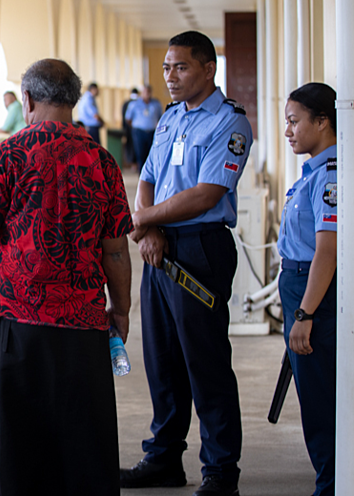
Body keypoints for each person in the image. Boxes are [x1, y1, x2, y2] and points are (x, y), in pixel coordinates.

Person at [0, 59, 133, 496]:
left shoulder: (10, 153)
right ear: (74, 99)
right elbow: (116, 249)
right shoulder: (102, 160)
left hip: (21, 318)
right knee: (83, 436)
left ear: (26, 99)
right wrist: (120, 309)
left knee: (20, 436)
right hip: (84, 321)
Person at [122, 31, 253, 496]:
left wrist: (142, 220)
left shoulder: (229, 123)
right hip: (159, 247)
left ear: (208, 69)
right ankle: (164, 458)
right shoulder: (170, 117)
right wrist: (150, 229)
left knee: (205, 362)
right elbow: (147, 178)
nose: (170, 77)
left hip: (200, 248)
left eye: (180, 67)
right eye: (166, 67)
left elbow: (206, 194)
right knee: (162, 359)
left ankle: (220, 470)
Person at [278, 82, 338, 496]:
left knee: (321, 401)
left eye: (294, 121)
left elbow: (327, 252)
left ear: (322, 122)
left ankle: (331, 486)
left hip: (312, 291)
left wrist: (305, 313)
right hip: (298, 285)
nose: (288, 131)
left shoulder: (330, 176)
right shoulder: (313, 172)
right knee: (312, 394)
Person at [125, 85, 163, 169]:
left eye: (148, 92)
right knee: (140, 154)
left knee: (151, 154)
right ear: (141, 93)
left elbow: (160, 117)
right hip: (139, 132)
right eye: (145, 92)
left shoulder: (156, 104)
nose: (147, 94)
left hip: (152, 131)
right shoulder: (134, 104)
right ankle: (141, 173)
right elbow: (128, 119)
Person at [121, 87, 139, 166]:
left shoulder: (138, 103)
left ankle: (134, 162)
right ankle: (131, 162)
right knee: (130, 145)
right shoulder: (128, 104)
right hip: (129, 129)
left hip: (134, 129)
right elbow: (125, 118)